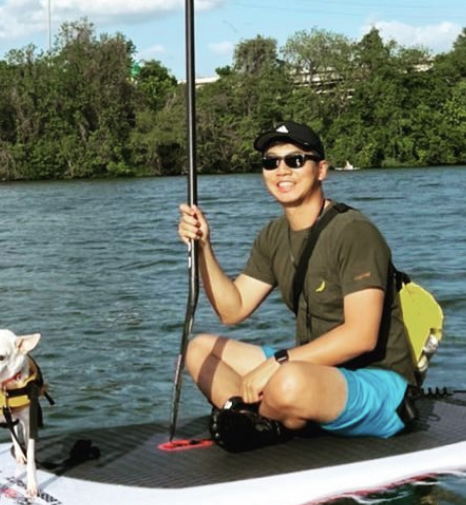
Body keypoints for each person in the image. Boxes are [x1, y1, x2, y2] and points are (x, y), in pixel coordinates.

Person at [176, 121, 416, 452]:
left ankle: (263, 418)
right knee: (200, 350)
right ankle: (247, 417)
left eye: (296, 160)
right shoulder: (273, 235)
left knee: (287, 381)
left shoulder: (354, 232)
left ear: (321, 170)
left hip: (378, 382)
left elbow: (361, 336)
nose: (282, 170)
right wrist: (204, 246)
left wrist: (279, 362)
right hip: (314, 371)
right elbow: (232, 309)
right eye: (271, 162)